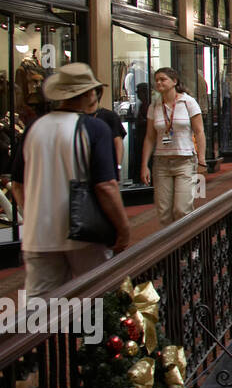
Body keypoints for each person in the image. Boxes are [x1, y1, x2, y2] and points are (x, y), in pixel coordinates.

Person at [12, 63, 131, 296]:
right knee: (101, 300)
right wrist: (123, 228)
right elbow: (106, 186)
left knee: (41, 313)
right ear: (89, 93)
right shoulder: (94, 128)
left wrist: (33, 214)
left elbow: (17, 184)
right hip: (86, 232)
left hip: (39, 236)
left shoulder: (34, 128)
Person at [140, 68, 206, 226]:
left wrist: (201, 159)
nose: (159, 83)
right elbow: (149, 137)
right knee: (164, 212)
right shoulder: (154, 106)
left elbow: (199, 132)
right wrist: (144, 165)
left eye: (163, 79)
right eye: (156, 80)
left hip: (184, 161)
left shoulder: (188, 102)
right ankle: (170, 249)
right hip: (161, 162)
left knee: (182, 209)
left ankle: (188, 247)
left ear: (174, 82)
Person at [93, 86, 126, 177]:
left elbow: (118, 142)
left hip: (106, 167)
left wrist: (118, 166)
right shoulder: (79, 117)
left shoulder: (110, 116)